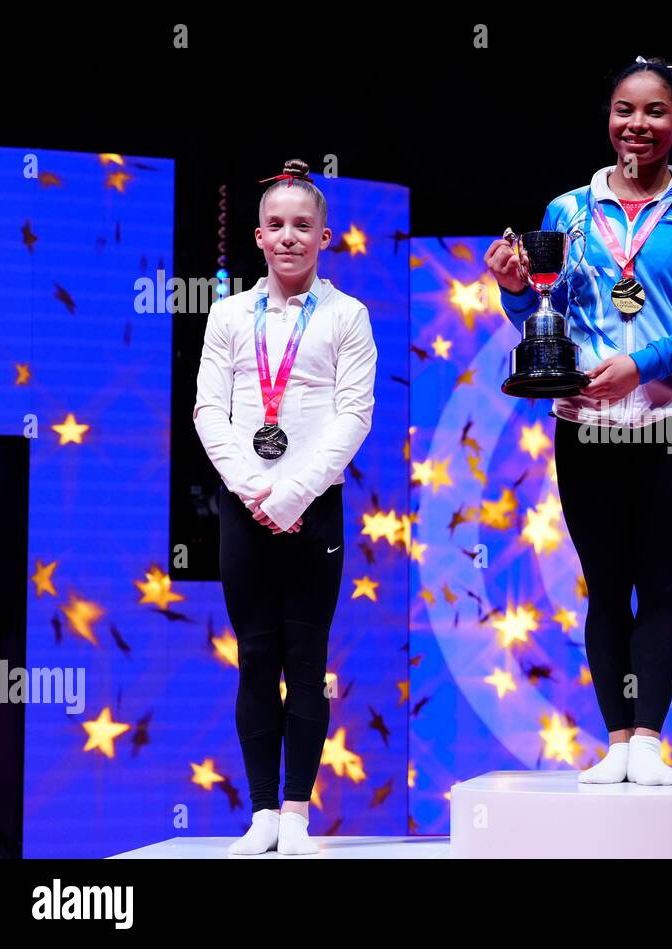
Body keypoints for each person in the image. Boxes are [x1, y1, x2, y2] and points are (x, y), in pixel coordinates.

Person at [484, 56, 672, 785]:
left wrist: (644, 364)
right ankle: (618, 740)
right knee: (605, 585)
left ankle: (650, 743)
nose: (639, 124)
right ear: (608, 118)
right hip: (587, 422)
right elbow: (547, 313)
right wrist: (514, 291)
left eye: (656, 111)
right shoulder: (567, 211)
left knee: (659, 584)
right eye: (625, 110)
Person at [193, 159, 378, 854]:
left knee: (305, 662)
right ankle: (263, 812)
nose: (290, 236)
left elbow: (354, 415)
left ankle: (297, 813)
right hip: (245, 509)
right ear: (259, 236)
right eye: (277, 225)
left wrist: (296, 492)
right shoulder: (228, 315)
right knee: (255, 657)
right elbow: (209, 411)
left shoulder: (347, 316)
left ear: (324, 237)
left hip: (315, 510)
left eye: (303, 225)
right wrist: (255, 492)